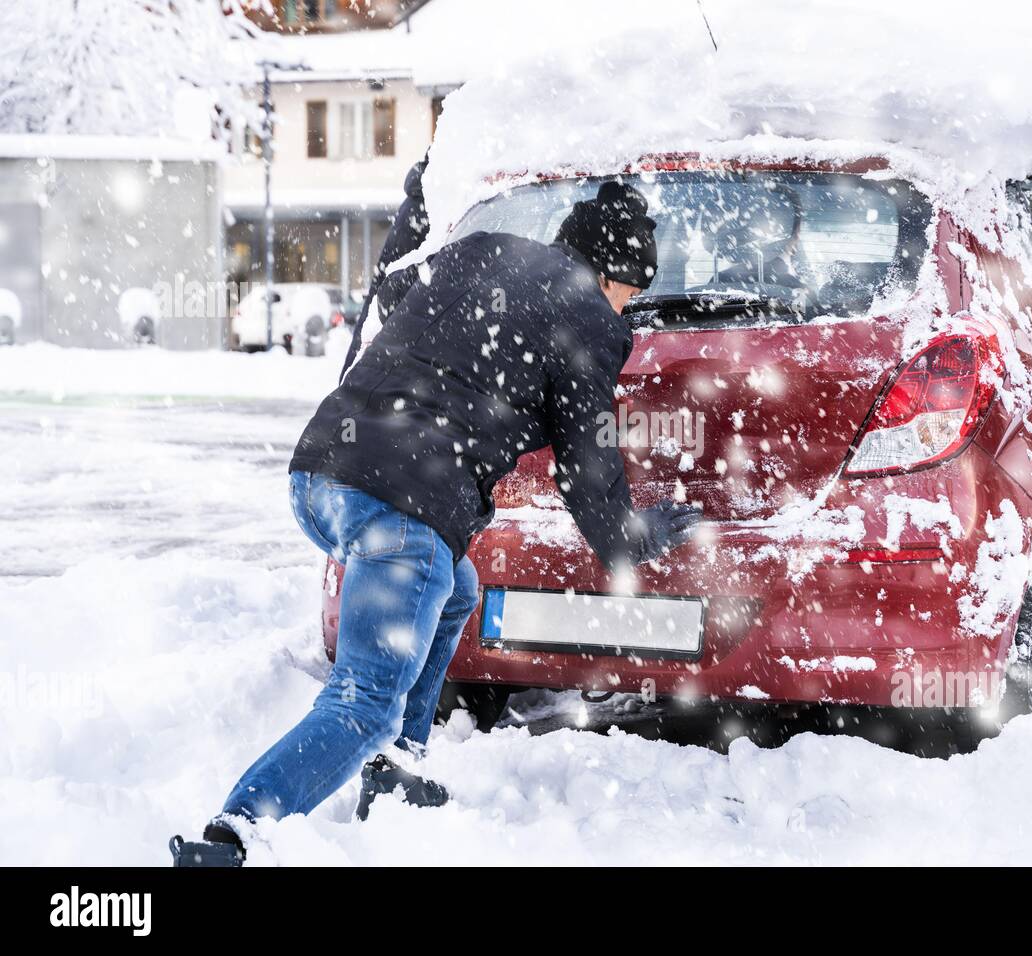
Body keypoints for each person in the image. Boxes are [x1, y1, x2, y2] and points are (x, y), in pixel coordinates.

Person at [170, 179, 700, 866]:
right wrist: (637, 537)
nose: (630, 308)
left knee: (457, 590)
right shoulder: (590, 318)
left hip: (321, 474)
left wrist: (417, 198)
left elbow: (392, 295)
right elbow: (586, 471)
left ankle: (396, 769)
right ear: (610, 275)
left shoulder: (480, 250)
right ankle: (233, 834)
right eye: (631, 293)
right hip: (403, 504)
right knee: (364, 699)